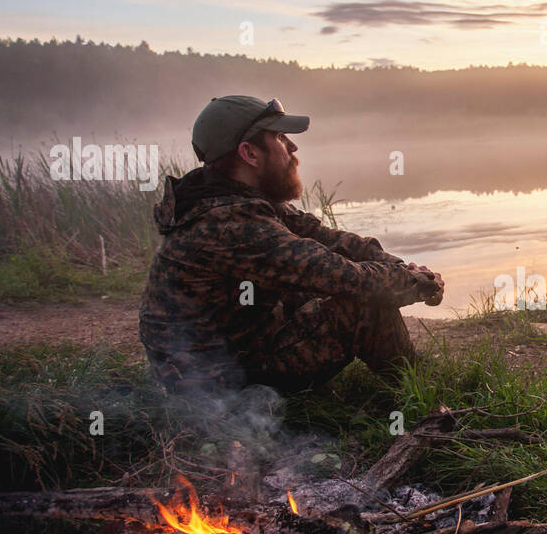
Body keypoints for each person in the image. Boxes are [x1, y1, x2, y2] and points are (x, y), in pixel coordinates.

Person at [139, 95, 443, 394]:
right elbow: (346, 277)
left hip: (234, 349)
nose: (293, 147)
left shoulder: (236, 197)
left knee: (331, 285)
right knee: (364, 303)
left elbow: (326, 239)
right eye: (281, 137)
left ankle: (419, 387)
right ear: (249, 153)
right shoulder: (226, 221)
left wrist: (401, 267)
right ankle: (424, 391)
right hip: (214, 381)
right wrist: (417, 284)